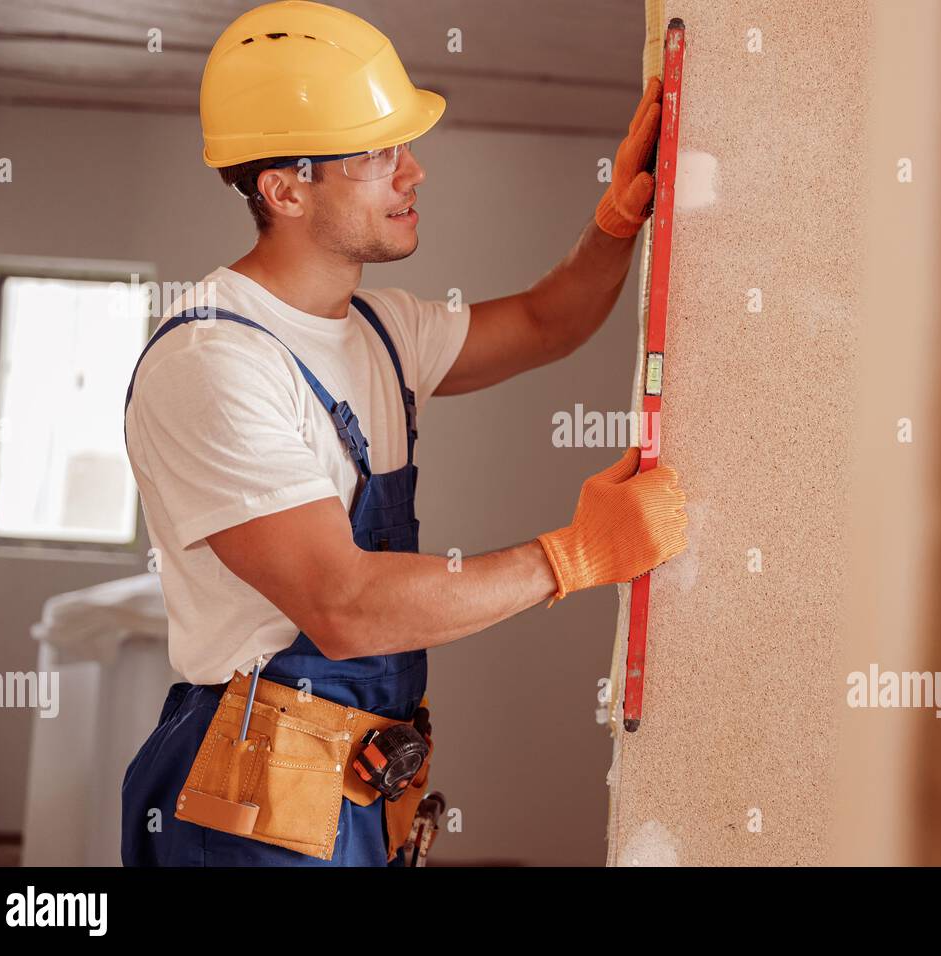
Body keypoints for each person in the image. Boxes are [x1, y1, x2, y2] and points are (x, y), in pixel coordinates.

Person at [119, 0, 688, 866]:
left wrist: (617, 217)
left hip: (349, 785)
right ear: (284, 188)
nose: (413, 171)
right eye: (378, 153)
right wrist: (571, 558)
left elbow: (546, 320)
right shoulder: (215, 365)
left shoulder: (380, 330)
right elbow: (344, 607)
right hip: (249, 805)